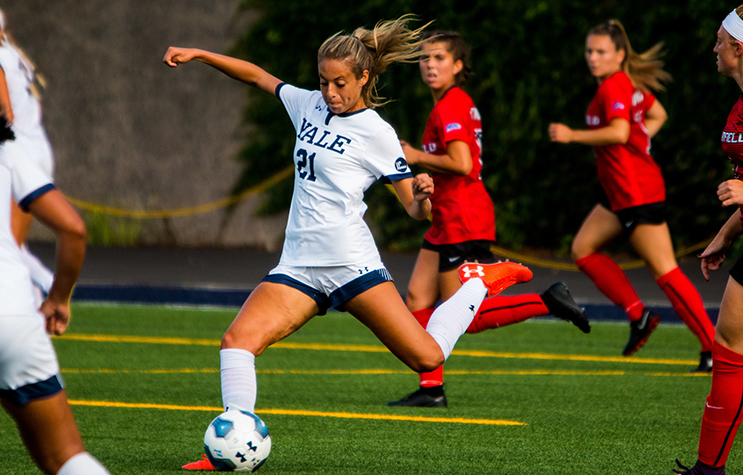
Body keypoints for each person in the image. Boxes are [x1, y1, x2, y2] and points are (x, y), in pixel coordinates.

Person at [163, 16, 533, 471]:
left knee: (426, 357)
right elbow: (258, 75)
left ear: (364, 78)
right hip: (298, 267)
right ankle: (228, 444)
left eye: (341, 83)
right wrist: (200, 54)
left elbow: (415, 212)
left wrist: (421, 198)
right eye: (323, 82)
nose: (331, 93)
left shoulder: (376, 132)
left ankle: (477, 281)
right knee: (237, 341)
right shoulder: (307, 105)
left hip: (352, 266)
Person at [387, 31, 590, 408]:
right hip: (448, 216)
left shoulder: (450, 105)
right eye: (425, 58)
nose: (430, 64)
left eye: (439, 58)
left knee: (461, 313)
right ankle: (431, 390)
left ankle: (547, 302)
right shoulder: (452, 102)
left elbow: (462, 164)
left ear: (459, 65)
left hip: (462, 216)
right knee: (417, 296)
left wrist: (415, 155)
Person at [548, 20, 715, 371]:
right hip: (619, 189)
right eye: (589, 51)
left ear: (619, 55)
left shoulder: (613, 87)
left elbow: (621, 131)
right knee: (583, 249)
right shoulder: (622, 84)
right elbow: (658, 114)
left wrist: (572, 136)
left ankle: (713, 348)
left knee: (665, 270)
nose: (592, 58)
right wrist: (642, 140)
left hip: (636, 190)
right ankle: (639, 315)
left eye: (601, 52)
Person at [0, 103, 109, 475]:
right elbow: (73, 229)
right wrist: (58, 298)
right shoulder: (0, 145)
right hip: (15, 313)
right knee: (65, 457)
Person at [673, 7, 743, 474]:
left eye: (720, 40)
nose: (713, 48)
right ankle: (708, 468)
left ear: (739, 49)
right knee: (731, 342)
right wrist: (723, 234)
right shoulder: (738, 106)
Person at [0, 2, 54, 303]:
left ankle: (41, 291)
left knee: (6, 243)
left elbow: (7, 116)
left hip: (18, 155)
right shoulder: (12, 56)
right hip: (38, 149)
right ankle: (37, 292)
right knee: (10, 241)